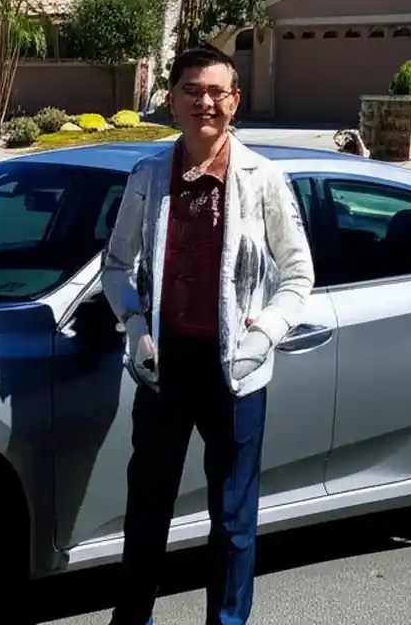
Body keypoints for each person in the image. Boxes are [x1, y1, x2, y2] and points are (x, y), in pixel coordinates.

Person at [100, 45, 315, 625]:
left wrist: (265, 332)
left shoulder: (262, 178)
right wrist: (136, 324)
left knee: (234, 518)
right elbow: (116, 266)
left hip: (235, 376)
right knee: (146, 512)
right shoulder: (148, 177)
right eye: (192, 91)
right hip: (165, 369)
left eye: (217, 92)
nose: (205, 102)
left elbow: (299, 273)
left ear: (235, 102)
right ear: (171, 100)